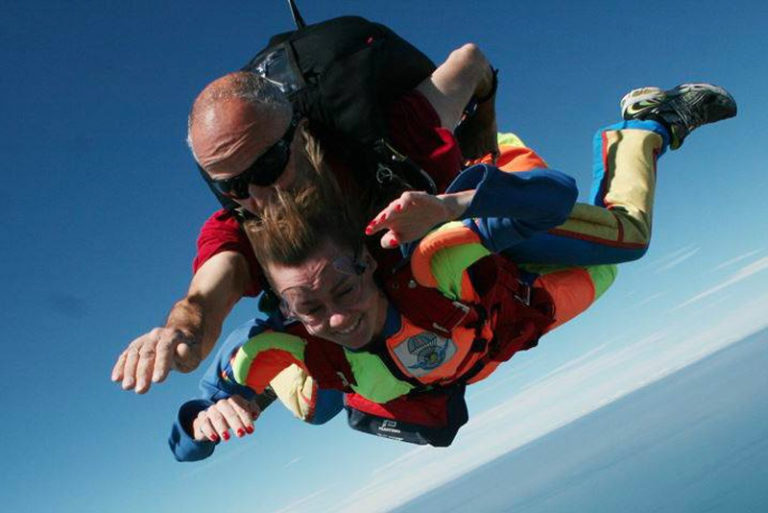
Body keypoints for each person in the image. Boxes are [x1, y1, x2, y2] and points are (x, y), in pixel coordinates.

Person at [167, 82, 737, 458]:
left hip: (487, 239)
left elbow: (552, 200)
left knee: (625, 240)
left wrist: (455, 206)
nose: (337, 316)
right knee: (317, 404)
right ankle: (272, 381)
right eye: (310, 307)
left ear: (368, 265)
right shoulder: (286, 344)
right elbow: (187, 442)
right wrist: (209, 417)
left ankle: (642, 126)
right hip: (495, 330)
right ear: (289, 311)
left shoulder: (432, 260)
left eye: (342, 290)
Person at [113, 43, 499, 394]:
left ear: (300, 136)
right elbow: (206, 296)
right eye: (234, 185)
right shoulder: (239, 228)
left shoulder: (394, 139)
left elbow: (470, 61)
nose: (260, 198)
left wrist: (484, 127)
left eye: (267, 167)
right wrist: (183, 333)